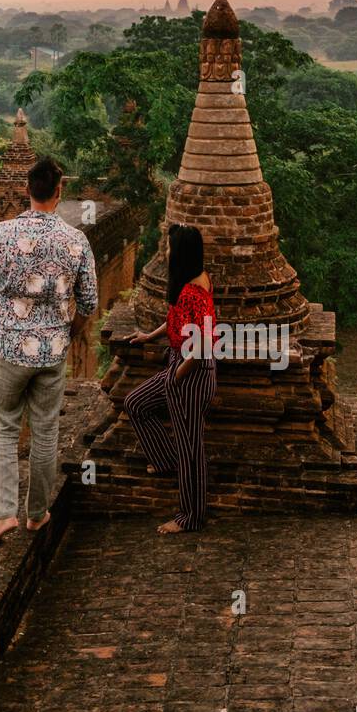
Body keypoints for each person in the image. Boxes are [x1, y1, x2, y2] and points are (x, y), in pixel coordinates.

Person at [0, 156, 98, 546]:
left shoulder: (0, 234)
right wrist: (69, 333)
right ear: (59, 193)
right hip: (51, 352)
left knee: (3, 429)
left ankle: (4, 517)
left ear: (27, 190)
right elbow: (89, 303)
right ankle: (37, 514)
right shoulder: (75, 241)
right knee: (45, 432)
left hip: (5, 348)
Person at [124, 223, 217, 535]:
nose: (165, 252)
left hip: (192, 372)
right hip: (179, 364)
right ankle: (166, 461)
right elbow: (175, 318)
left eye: (169, 247)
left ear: (181, 254)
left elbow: (204, 343)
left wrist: (177, 376)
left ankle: (191, 517)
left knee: (191, 447)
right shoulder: (186, 284)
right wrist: (149, 335)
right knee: (135, 403)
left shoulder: (196, 290)